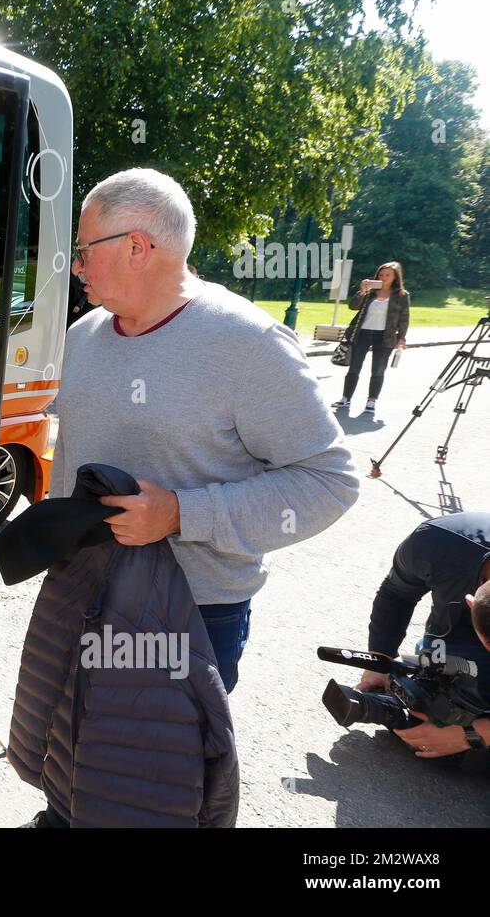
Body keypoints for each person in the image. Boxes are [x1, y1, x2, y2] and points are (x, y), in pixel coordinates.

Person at [60, 167, 360, 692]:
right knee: (78, 751)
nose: (76, 264)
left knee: (166, 771)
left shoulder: (249, 343)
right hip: (83, 592)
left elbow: (330, 481)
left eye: (84, 249)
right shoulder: (83, 335)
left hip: (192, 615)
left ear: (137, 247)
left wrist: (180, 514)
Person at [357, 512, 490, 759]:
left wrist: (472, 734)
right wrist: (379, 661)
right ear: (471, 603)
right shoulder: (436, 543)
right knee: (444, 690)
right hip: (455, 632)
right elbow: (396, 594)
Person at [330, 261, 409, 416]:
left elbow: (404, 318)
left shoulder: (401, 295)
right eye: (381, 274)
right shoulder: (370, 291)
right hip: (363, 334)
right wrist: (362, 291)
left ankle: (371, 401)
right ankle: (346, 398)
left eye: (387, 275)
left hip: (385, 337)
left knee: (378, 370)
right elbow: (353, 306)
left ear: (395, 277)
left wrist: (402, 337)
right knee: (354, 368)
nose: (384, 277)